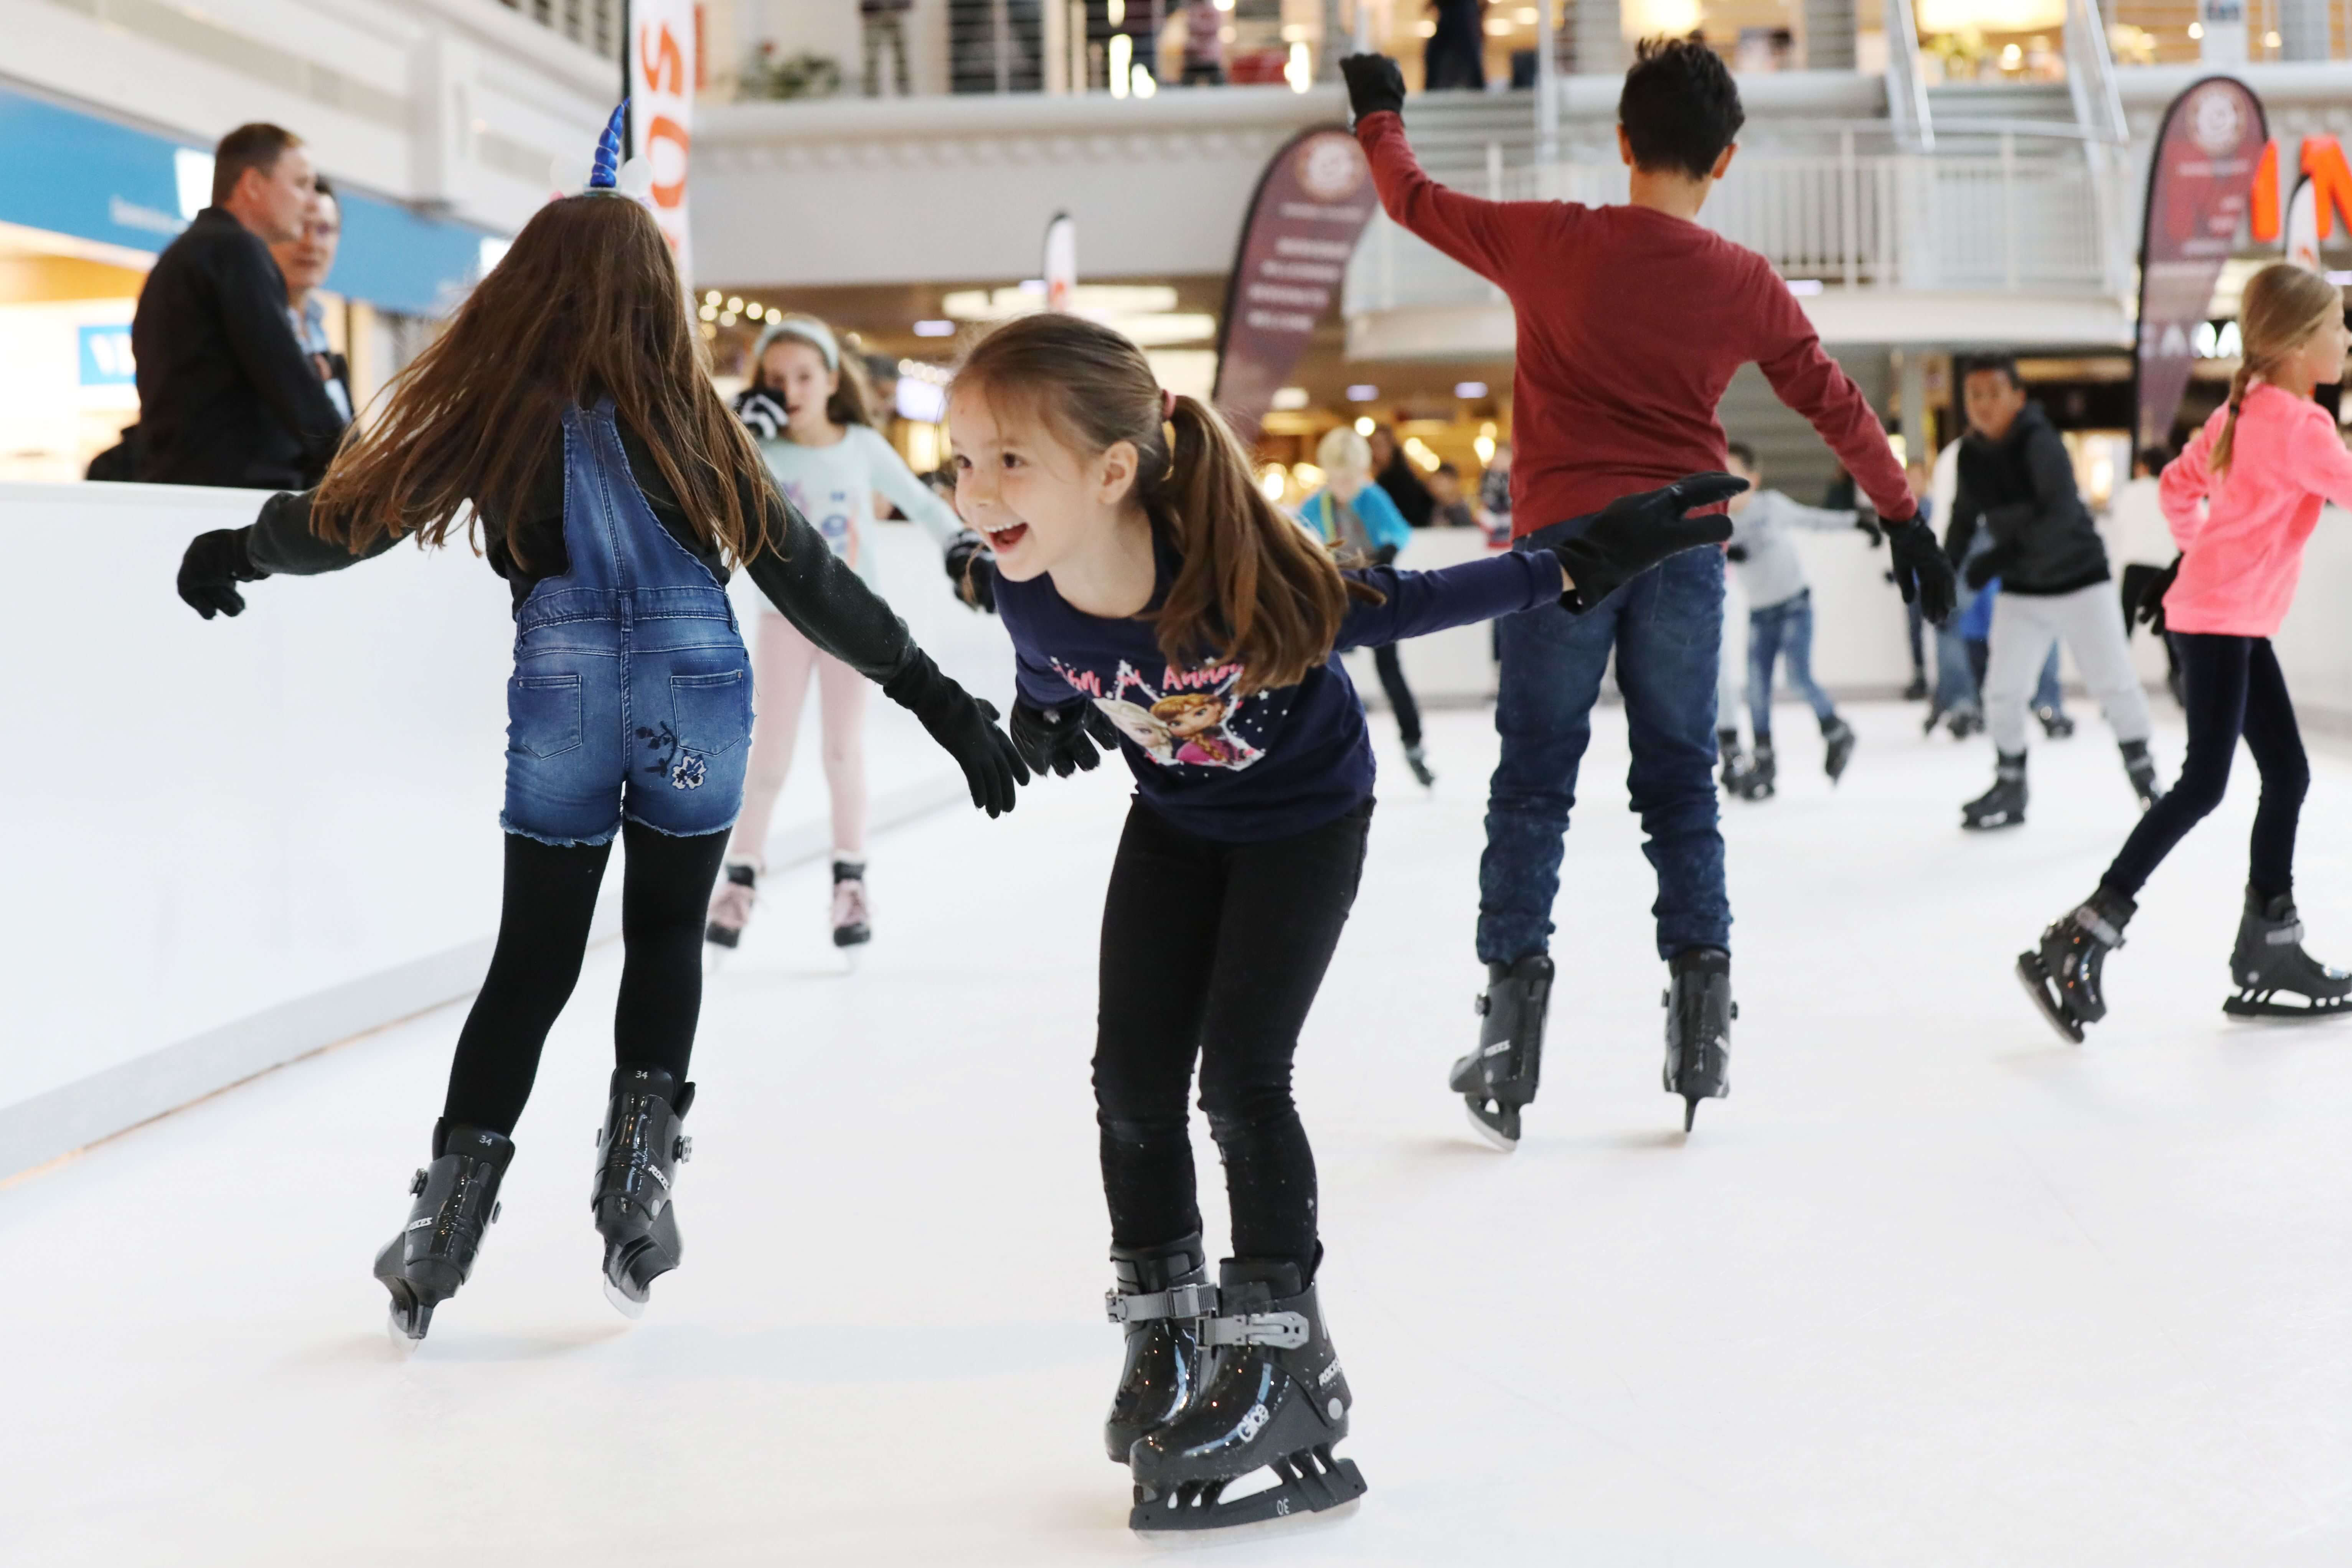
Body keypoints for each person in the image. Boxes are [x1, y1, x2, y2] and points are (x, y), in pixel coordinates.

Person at [169, 110, 1025, 1341]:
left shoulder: (496, 422)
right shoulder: (701, 428)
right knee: (669, 933)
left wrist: (242, 545)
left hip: (564, 698)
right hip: (698, 698)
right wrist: (936, 698)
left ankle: (445, 1224)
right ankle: (638, 1188)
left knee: (534, 962)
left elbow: (348, 523)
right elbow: (809, 582)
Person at [950, 312, 1732, 1532]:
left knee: (1242, 1081)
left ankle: (1281, 1363)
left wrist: (1576, 562)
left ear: (1111, 473)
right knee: (1130, 1087)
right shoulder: (1027, 591)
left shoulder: (1234, 579)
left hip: (1305, 823)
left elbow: (1409, 602)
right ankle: (1168, 1336)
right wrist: (1040, 713)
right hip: (1176, 823)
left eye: (1009, 462)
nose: (974, 491)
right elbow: (1051, 665)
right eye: (962, 461)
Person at [1341, 41, 1955, 1139]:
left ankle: (1507, 1036)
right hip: (1684, 550)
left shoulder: (1549, 239)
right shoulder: (1743, 280)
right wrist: (1904, 515)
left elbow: (1413, 201)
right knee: (1680, 782)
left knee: (1533, 780)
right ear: (1723, 160)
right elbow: (1834, 401)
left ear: (1622, 139)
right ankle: (1700, 1024)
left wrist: (1380, 112)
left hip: (1560, 556)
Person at [2019, 263, 2352, 1041]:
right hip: (2219, 621)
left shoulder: (2241, 410)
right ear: (2301, 345)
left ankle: (2269, 941)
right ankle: (2081, 934)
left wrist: (2204, 558)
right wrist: (2213, 570)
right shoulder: (2298, 426)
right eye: (2337, 325)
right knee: (2202, 784)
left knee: (2286, 773)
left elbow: (2175, 487)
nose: (2347, 336)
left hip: (2218, 618)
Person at [706, 315, 989, 958]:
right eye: (777, 380)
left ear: (832, 380)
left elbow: (921, 505)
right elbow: (708, 500)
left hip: (855, 624)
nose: (793, 388)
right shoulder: (761, 454)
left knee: (842, 751)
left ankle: (850, 879)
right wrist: (738, 433)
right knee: (769, 755)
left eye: (805, 375)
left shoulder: (861, 445)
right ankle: (741, 880)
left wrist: (960, 548)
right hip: (783, 621)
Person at [1946, 357, 2159, 831]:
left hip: (2081, 581)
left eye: (1992, 393)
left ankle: (2147, 782)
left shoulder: (2040, 442)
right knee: (2001, 692)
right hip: (2023, 591)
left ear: (2018, 397)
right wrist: (1945, 571)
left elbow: (2059, 514)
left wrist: (1994, 561)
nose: (1982, 405)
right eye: (1974, 395)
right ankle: (2010, 784)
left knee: (2115, 684)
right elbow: (1963, 519)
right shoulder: (1970, 456)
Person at [131, 122, 347, 488]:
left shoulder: (185, 256)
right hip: (231, 501)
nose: (309, 201)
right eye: (300, 184)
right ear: (251, 185)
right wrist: (359, 466)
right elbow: (288, 379)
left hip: (194, 490)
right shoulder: (235, 252)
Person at [1715, 441, 1877, 801]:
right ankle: (1764, 762)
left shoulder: (1770, 507)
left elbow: (1813, 519)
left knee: (1797, 676)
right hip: (1760, 615)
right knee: (1756, 689)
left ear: (1752, 480)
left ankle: (1835, 730)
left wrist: (1857, 521)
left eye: (1732, 474)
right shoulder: (1718, 523)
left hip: (1794, 606)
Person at [1298, 425, 1436, 785]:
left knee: (1390, 668)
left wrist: (1386, 554)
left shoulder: (1373, 497)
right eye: (1337, 479)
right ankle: (1316, 748)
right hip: (1334, 597)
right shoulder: (1318, 504)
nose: (1344, 487)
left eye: (1351, 479)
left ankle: (1414, 743)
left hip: (1374, 595)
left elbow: (1397, 533)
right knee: (1320, 669)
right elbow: (1297, 536)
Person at [269, 175, 351, 425]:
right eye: (301, 227)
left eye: (324, 229)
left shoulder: (318, 330)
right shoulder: (254, 325)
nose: (311, 243)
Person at [1367, 423, 1436, 527]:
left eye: (1379, 445)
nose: (1374, 451)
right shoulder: (1385, 477)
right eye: (1372, 446)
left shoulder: (1399, 479)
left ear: (1392, 446)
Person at [1423, 0, 1486, 90]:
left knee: (1467, 53)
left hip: (1461, 16)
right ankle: (1478, 87)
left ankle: (1478, 87)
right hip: (1459, 16)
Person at [860, 0, 913, 97]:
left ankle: (905, 89)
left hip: (895, 10)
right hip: (874, 11)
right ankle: (870, 91)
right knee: (872, 56)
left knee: (901, 55)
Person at [1477, 439, 1514, 545]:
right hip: (1494, 521)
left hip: (1513, 521)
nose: (1498, 460)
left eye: (1503, 457)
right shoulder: (1489, 477)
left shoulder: (1519, 479)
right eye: (1497, 457)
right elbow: (1485, 498)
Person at [1180, 0, 1226, 84]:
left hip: (1211, 57)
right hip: (1194, 57)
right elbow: (1191, 27)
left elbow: (1213, 29)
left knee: (1220, 85)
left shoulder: (1213, 10)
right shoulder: (1192, 10)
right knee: (1185, 86)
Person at [1427, 461, 1478, 527]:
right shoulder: (1436, 509)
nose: (1435, 487)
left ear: (1453, 482)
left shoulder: (1467, 510)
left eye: (1440, 483)